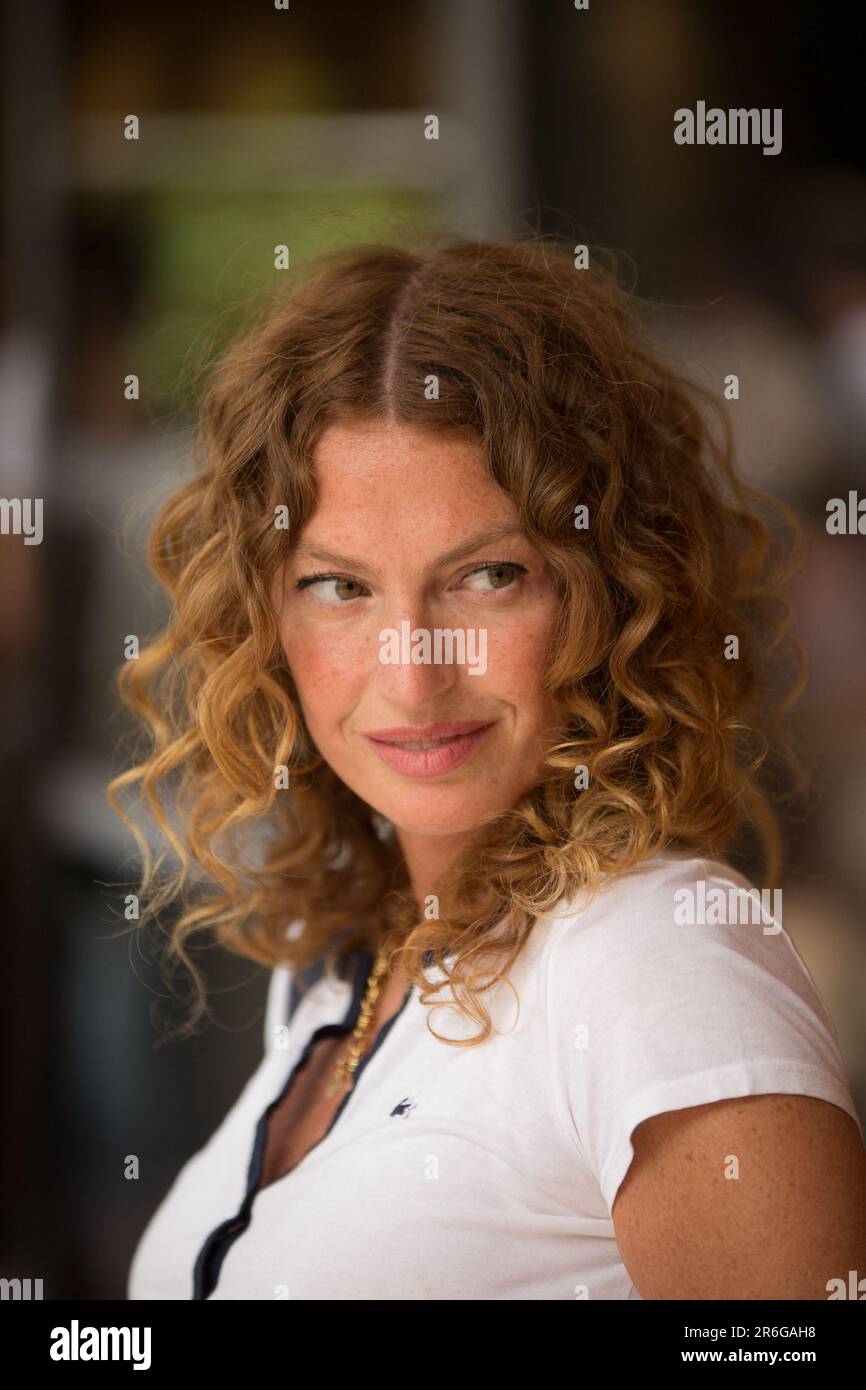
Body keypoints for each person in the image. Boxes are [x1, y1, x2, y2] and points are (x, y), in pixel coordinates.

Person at [111, 235, 866, 1300]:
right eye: (340, 587)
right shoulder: (346, 964)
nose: (412, 674)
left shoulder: (653, 960)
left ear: (607, 589)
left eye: (487, 576)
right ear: (262, 613)